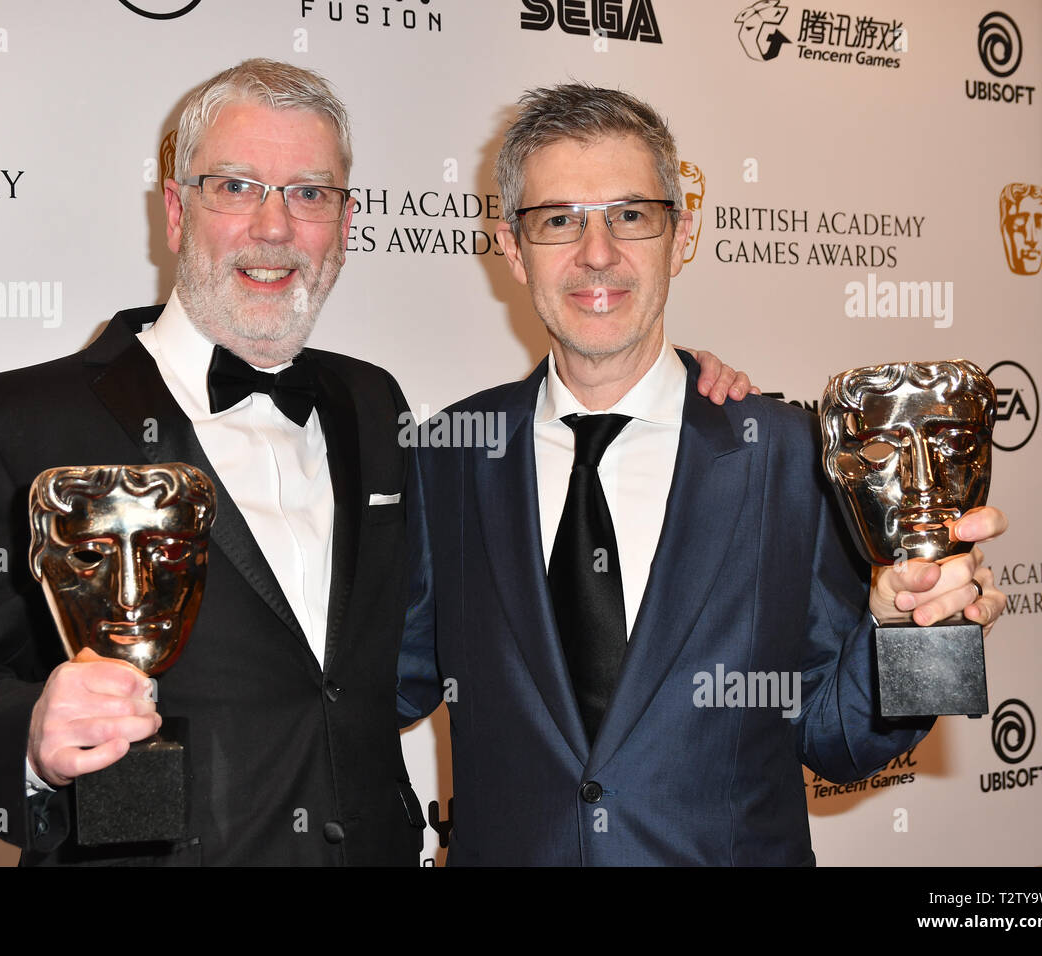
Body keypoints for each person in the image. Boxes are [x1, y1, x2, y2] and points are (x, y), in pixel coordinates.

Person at [0, 61, 749, 866]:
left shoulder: (375, 407)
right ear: (177, 212)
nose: (274, 226)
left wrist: (669, 388)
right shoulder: (17, 423)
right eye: (236, 188)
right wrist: (32, 736)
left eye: (310, 193)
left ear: (344, 225)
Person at [398, 83, 1008, 865]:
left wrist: (920, 638)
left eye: (631, 215)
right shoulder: (447, 457)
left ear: (680, 235)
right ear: (513, 249)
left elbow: (837, 740)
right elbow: (375, 685)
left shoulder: (791, 456)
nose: (596, 252)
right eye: (559, 220)